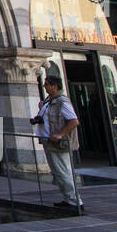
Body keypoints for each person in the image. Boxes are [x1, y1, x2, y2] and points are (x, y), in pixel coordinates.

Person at [32, 78, 83, 211]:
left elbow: (74, 121)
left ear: (55, 86)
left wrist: (60, 134)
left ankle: (75, 201)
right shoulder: (49, 101)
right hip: (48, 141)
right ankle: (68, 198)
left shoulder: (62, 102)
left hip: (58, 142)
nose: (45, 87)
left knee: (63, 171)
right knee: (57, 172)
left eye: (47, 84)